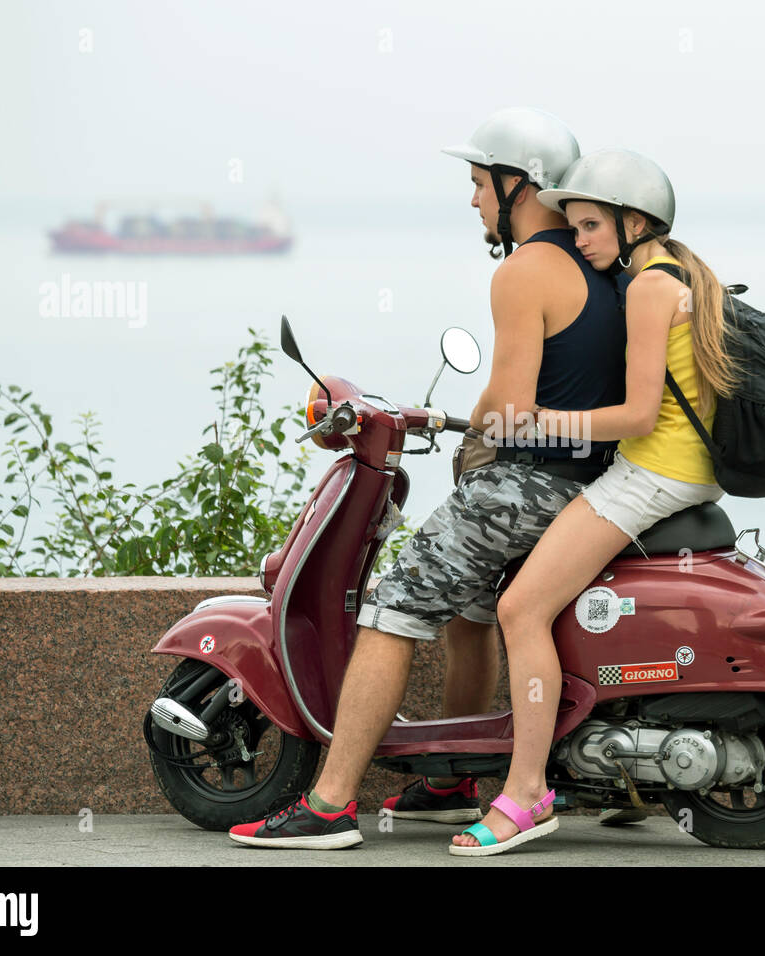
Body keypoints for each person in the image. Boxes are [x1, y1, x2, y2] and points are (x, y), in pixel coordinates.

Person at [227, 108, 628, 849]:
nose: (473, 198)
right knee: (470, 610)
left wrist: (469, 425)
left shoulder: (526, 270)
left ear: (521, 184)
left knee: (393, 609)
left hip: (530, 486)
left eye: (480, 183)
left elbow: (508, 410)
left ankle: (330, 804)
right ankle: (450, 781)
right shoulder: (602, 265)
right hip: (592, 485)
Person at [449, 148, 737, 855]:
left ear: (632, 221)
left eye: (587, 226)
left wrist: (542, 423)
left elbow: (639, 415)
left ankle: (523, 797)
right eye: (573, 227)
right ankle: (620, 776)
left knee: (519, 608)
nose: (578, 242)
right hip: (688, 471)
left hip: (652, 473)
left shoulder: (644, 288)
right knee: (567, 599)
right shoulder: (674, 275)